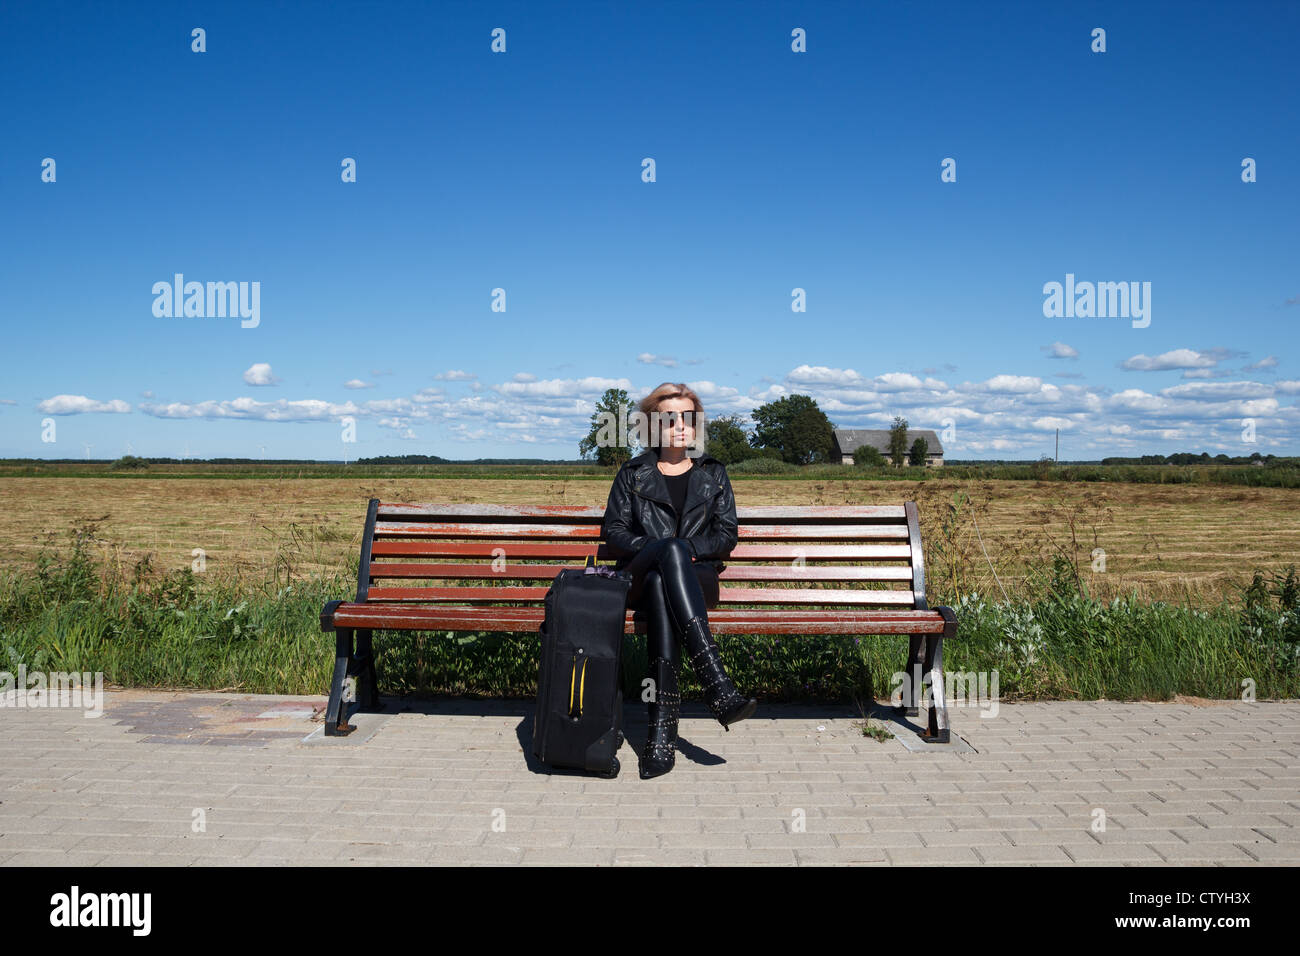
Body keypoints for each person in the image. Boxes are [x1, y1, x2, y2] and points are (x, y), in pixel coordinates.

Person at [601, 382, 758, 779]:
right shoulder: (633, 474)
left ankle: (660, 734)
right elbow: (615, 533)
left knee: (663, 582)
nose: (681, 427)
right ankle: (715, 683)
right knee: (661, 562)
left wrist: (681, 551)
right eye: (671, 419)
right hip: (637, 573)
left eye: (688, 418)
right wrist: (659, 548)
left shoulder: (714, 473)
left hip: (697, 580)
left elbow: (726, 536)